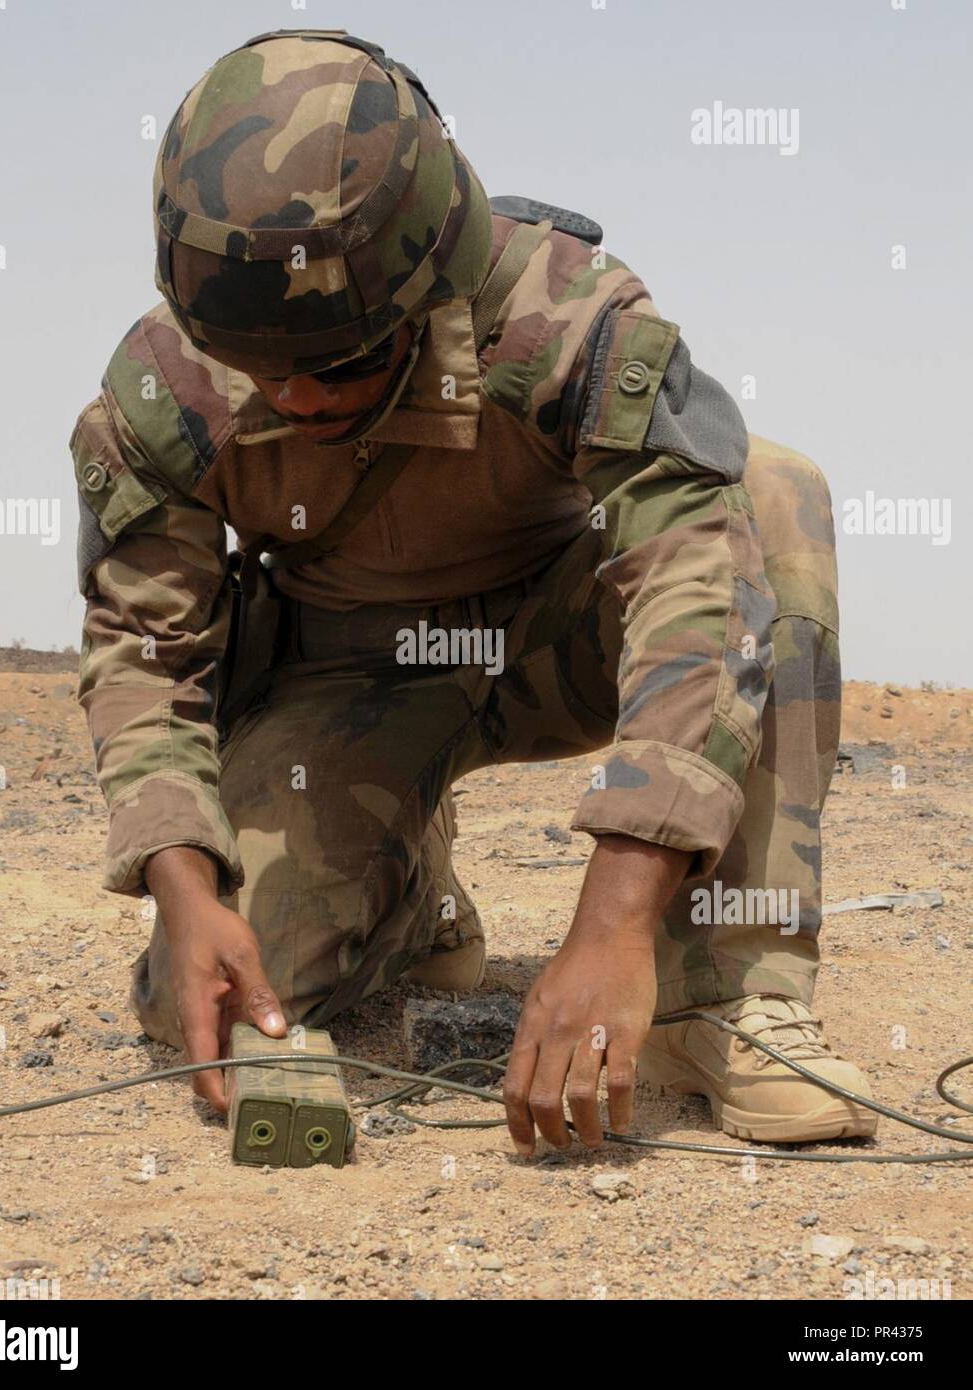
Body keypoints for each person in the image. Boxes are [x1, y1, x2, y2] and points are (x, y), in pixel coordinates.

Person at [72, 28, 875, 1155]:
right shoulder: (169, 389)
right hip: (351, 678)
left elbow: (694, 575)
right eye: (268, 370)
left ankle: (724, 995)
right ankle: (409, 897)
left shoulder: (553, 312)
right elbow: (145, 651)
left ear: (427, 282)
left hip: (559, 639)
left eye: (340, 363)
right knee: (206, 993)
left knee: (771, 497)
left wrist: (611, 922)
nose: (297, 399)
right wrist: (182, 886)